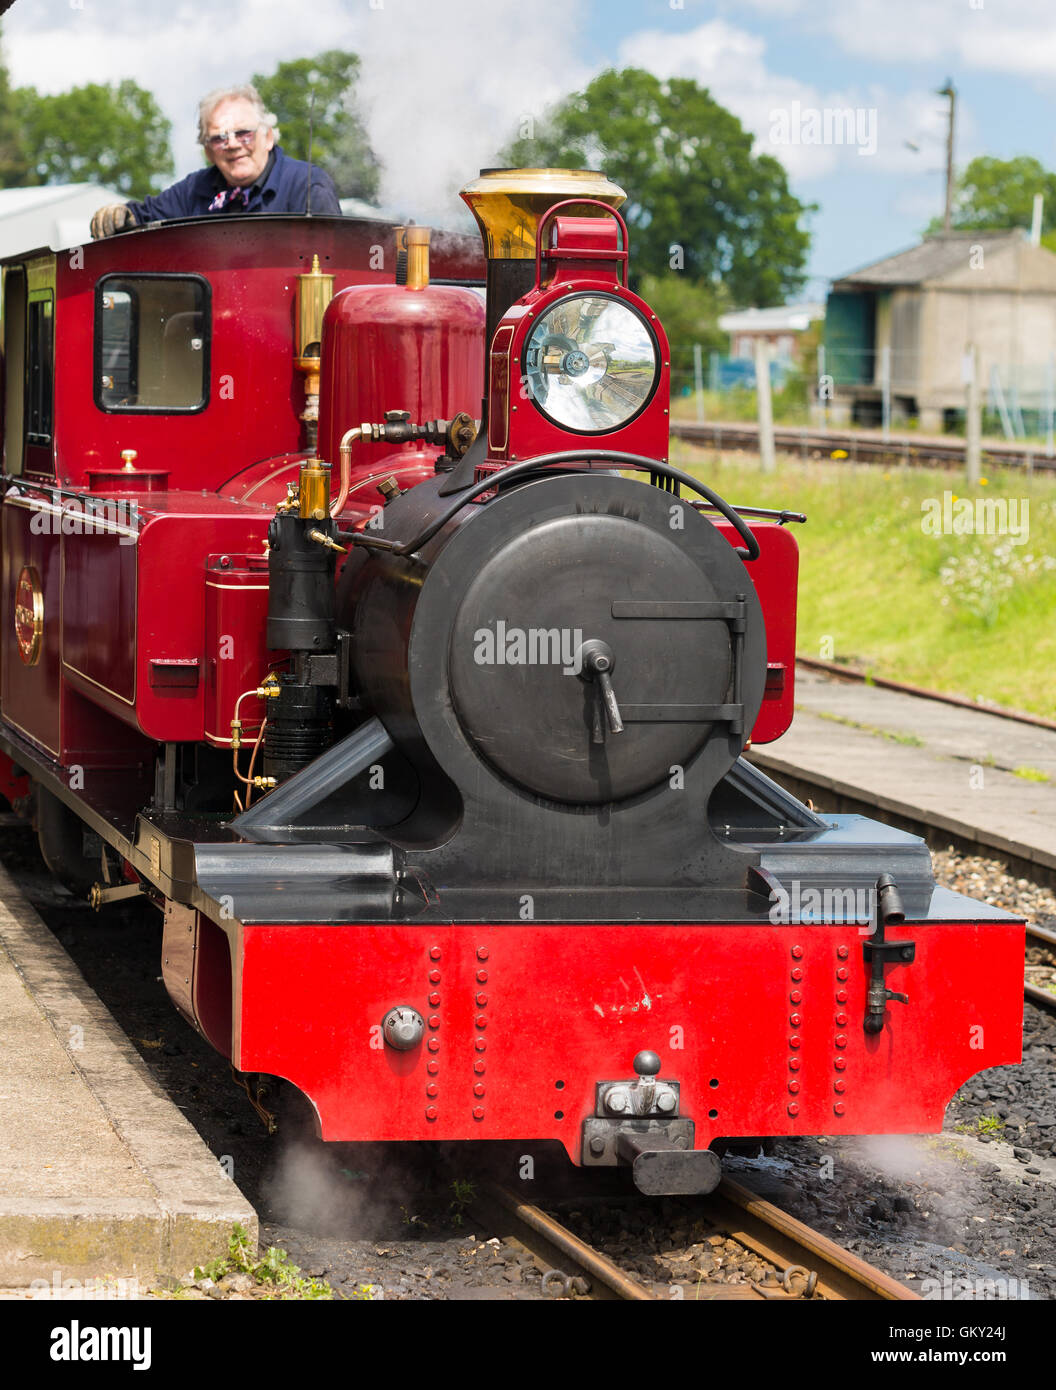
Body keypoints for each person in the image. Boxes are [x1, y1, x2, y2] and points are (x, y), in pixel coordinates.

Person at [90, 83, 341, 238]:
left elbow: (335, 264)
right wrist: (117, 214)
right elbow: (142, 217)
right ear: (208, 152)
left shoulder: (308, 185)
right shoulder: (194, 190)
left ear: (267, 138)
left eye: (243, 134)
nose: (232, 144)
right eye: (219, 138)